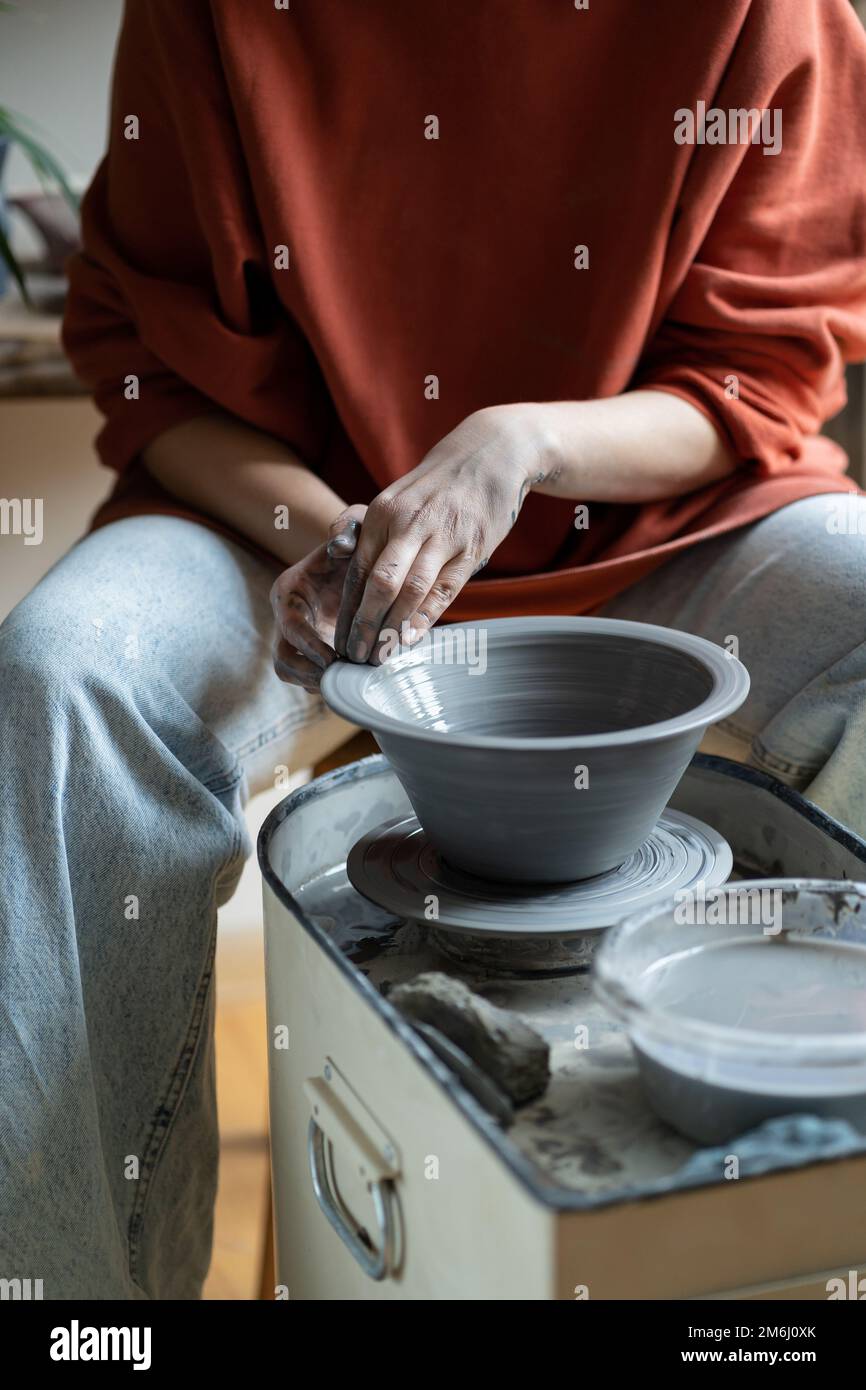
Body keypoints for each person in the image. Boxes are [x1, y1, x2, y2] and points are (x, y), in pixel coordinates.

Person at [2, 0, 865, 1299]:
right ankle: (87, 1313)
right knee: (58, 680)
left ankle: (797, 1235)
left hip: (656, 511)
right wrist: (353, 541)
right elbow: (148, 376)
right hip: (285, 518)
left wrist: (519, 446)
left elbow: (758, 372)